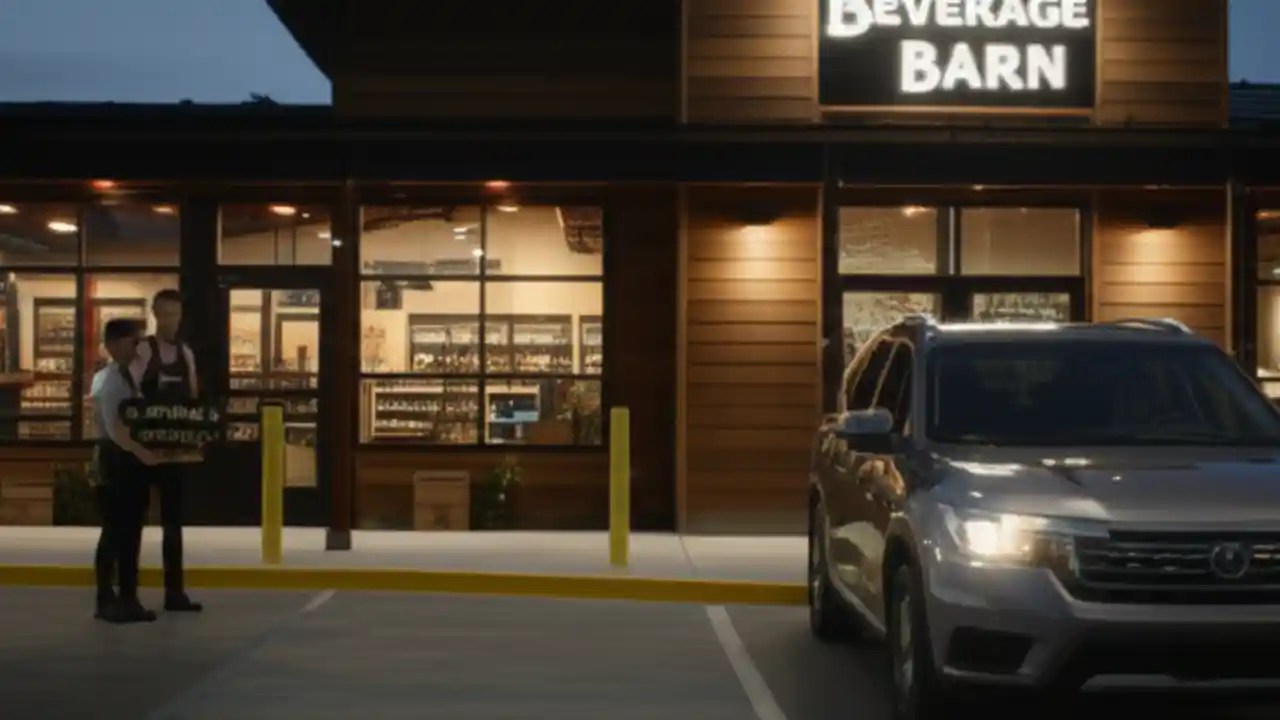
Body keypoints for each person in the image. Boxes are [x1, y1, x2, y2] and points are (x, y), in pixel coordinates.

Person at [131, 288, 203, 613]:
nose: (171, 320)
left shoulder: (186, 354)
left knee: (173, 524)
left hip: (175, 451)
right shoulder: (142, 352)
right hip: (142, 451)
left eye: (176, 314)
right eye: (165, 313)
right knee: (132, 523)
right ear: (155, 314)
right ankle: (127, 593)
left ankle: (175, 592)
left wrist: (197, 435)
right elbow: (128, 396)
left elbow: (194, 398)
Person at [92, 318, 160, 624]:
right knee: (116, 531)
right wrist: (142, 453)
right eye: (135, 342)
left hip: (128, 460)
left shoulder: (126, 377)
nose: (138, 348)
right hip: (117, 459)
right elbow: (115, 429)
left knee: (130, 531)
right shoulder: (109, 382)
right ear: (115, 344)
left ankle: (128, 598)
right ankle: (108, 600)